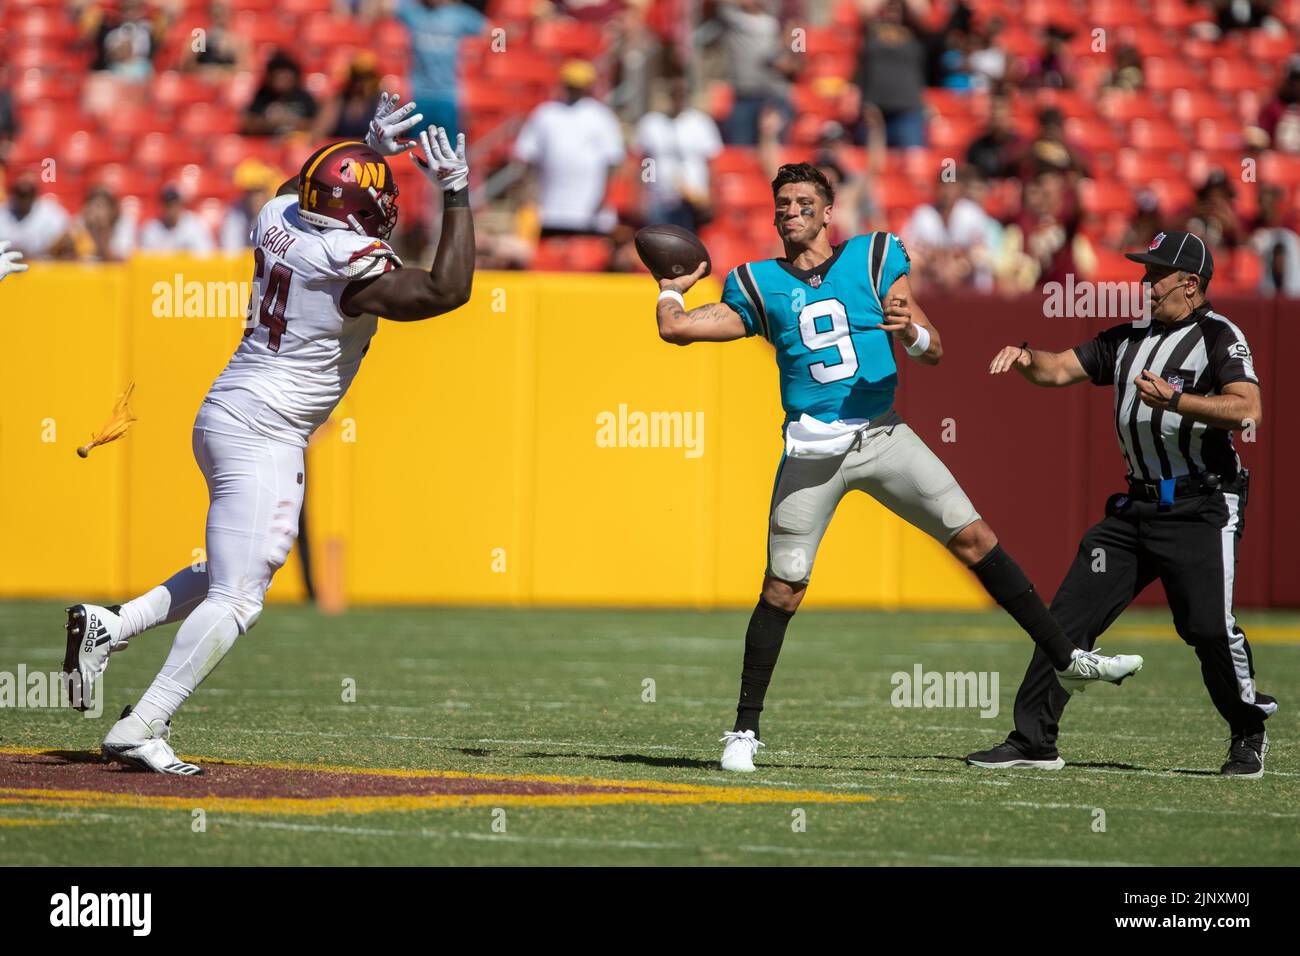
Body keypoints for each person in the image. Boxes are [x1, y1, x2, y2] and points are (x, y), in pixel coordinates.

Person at [650, 162, 1145, 773]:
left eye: (805, 201)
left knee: (975, 538)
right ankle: (743, 732)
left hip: (883, 434)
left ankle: (1068, 657)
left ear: (829, 211)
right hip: (812, 451)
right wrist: (672, 286)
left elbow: (934, 349)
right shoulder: (756, 281)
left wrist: (910, 334)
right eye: (782, 203)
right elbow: (676, 330)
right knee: (784, 586)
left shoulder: (876, 255)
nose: (792, 211)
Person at [61, 94, 477, 775]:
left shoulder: (276, 212)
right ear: (352, 212)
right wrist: (456, 193)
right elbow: (446, 291)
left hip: (228, 407)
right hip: (267, 426)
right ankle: (143, 724)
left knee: (234, 567)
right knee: (240, 595)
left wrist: (363, 145)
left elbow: (302, 184)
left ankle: (113, 626)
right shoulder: (346, 259)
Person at [970, 231, 1276, 777]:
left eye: (1156, 274)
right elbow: (1059, 368)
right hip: (1135, 510)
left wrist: (1179, 400)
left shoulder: (1218, 336)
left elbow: (1248, 408)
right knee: (1065, 617)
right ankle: (1034, 739)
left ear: (1190, 283)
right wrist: (1025, 355)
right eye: (1145, 272)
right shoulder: (1128, 338)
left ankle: (1247, 730)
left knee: (1207, 626)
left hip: (1201, 502)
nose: (1145, 284)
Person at [512, 60, 625, 238]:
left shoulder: (601, 116)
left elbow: (612, 162)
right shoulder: (545, 113)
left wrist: (603, 199)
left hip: (589, 210)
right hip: (550, 208)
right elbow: (527, 156)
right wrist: (528, 195)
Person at [634, 76, 722, 232]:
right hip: (660, 198)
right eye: (675, 94)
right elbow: (647, 162)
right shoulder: (651, 123)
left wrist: (711, 194)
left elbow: (711, 162)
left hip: (693, 199)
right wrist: (645, 193)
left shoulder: (701, 122)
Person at [391, 0, 487, 139]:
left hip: (448, 96)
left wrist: (501, 46)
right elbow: (381, 9)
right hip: (419, 95)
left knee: (449, 150)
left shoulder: (459, 14)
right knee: (418, 150)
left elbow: (495, 32)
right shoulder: (412, 11)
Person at [242, 51, 318, 138]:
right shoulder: (262, 96)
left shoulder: (304, 97)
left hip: (297, 145)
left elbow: (317, 125)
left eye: (285, 77)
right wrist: (271, 124)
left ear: (294, 77)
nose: (281, 81)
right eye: (278, 76)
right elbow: (249, 125)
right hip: (267, 146)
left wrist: (289, 121)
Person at [0, 175, 71, 258]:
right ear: (12, 194)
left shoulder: (52, 213)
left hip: (42, 266)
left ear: (35, 195)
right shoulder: (2, 212)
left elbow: (66, 234)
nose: (24, 199)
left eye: (28, 194)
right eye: (20, 194)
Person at [138, 185, 216, 254]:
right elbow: (146, 258)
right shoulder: (152, 228)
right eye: (167, 204)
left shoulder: (196, 225)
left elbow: (205, 255)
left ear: (181, 204)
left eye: (175, 204)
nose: (171, 209)